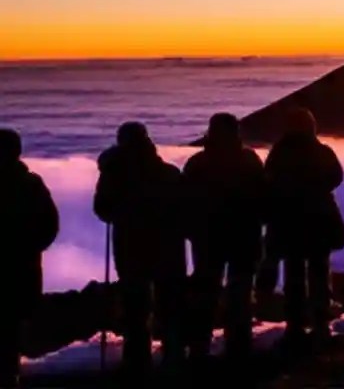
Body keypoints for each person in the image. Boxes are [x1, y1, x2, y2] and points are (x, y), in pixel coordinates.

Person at [93, 122, 186, 375]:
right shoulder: (168, 173)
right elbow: (184, 210)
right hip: (168, 247)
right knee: (170, 305)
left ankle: (137, 361)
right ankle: (174, 357)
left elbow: (102, 209)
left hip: (130, 246)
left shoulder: (114, 175)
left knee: (135, 305)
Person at [183, 113, 266, 362]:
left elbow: (184, 202)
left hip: (208, 240)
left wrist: (191, 231)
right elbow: (264, 197)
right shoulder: (249, 161)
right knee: (239, 295)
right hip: (245, 238)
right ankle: (238, 349)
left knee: (205, 295)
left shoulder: (197, 163)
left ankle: (199, 349)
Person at [265, 108, 344, 349]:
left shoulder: (279, 153)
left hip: (289, 223)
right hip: (318, 221)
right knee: (319, 273)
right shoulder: (321, 150)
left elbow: (268, 183)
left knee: (294, 274)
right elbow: (336, 176)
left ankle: (295, 325)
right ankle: (320, 324)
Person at [0, 130, 59, 389]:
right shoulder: (31, 184)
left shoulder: (31, 184)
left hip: (20, 265)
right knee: (12, 324)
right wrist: (32, 248)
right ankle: (10, 374)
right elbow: (49, 225)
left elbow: (48, 225)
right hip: (23, 266)